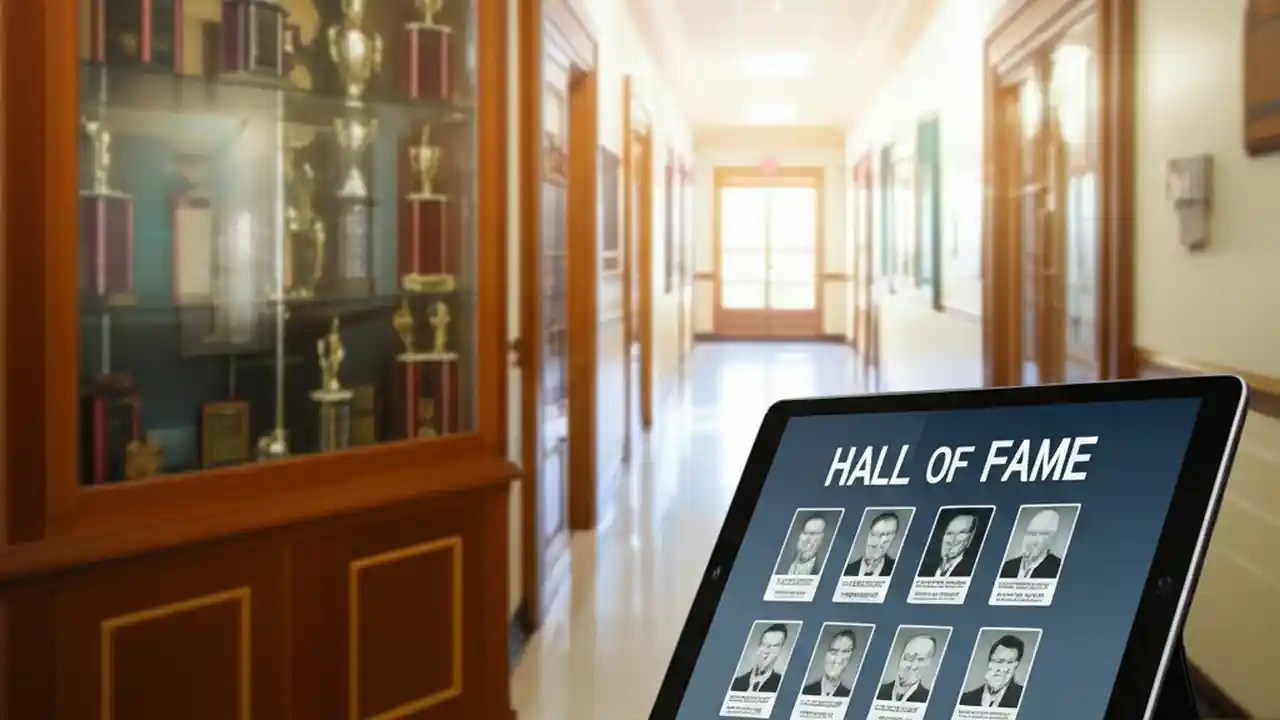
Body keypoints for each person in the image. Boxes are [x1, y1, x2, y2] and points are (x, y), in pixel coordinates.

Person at [959, 635, 1027, 708]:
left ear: (1016, 666)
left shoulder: (1024, 698)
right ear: (989, 662)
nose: (1002, 668)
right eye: (998, 661)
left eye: (1010, 662)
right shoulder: (964, 699)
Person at [1000, 508, 1063, 579]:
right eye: (1030, 533)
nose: (1032, 540)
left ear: (1051, 538)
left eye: (1041, 534)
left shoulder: (1058, 569)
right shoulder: (1007, 567)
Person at [876, 634, 938, 703]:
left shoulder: (930, 699)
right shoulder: (877, 691)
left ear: (928, 664)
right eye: (908, 657)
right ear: (900, 657)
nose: (913, 666)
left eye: (920, 660)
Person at [918, 511, 979, 578]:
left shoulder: (970, 569)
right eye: (949, 533)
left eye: (961, 532)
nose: (952, 539)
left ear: (971, 537)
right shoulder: (927, 568)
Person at [731, 624, 789, 693]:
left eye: (773, 646)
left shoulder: (783, 686)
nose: (766, 650)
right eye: (763, 644)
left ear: (780, 651)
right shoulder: (735, 683)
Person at [801, 630, 858, 697]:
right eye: (833, 651)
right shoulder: (805, 691)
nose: (838, 660)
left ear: (850, 659)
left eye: (845, 652)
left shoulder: (850, 696)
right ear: (825, 653)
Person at [845, 511, 900, 577]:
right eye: (880, 534)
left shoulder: (898, 570)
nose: (884, 540)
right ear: (869, 534)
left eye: (889, 535)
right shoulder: (846, 570)